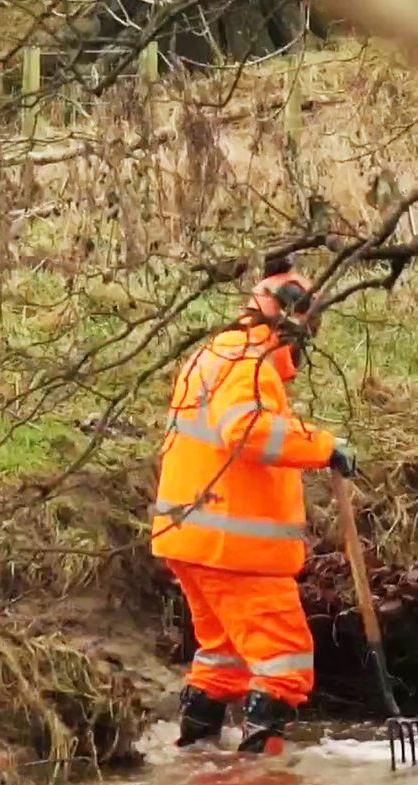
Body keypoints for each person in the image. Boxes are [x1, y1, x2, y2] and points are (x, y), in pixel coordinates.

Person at [151, 268, 357, 754]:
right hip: (234, 549)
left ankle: (199, 765)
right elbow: (246, 431)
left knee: (223, 657)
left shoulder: (214, 353)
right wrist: (323, 445)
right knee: (285, 662)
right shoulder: (251, 360)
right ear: (291, 317)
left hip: (193, 538)